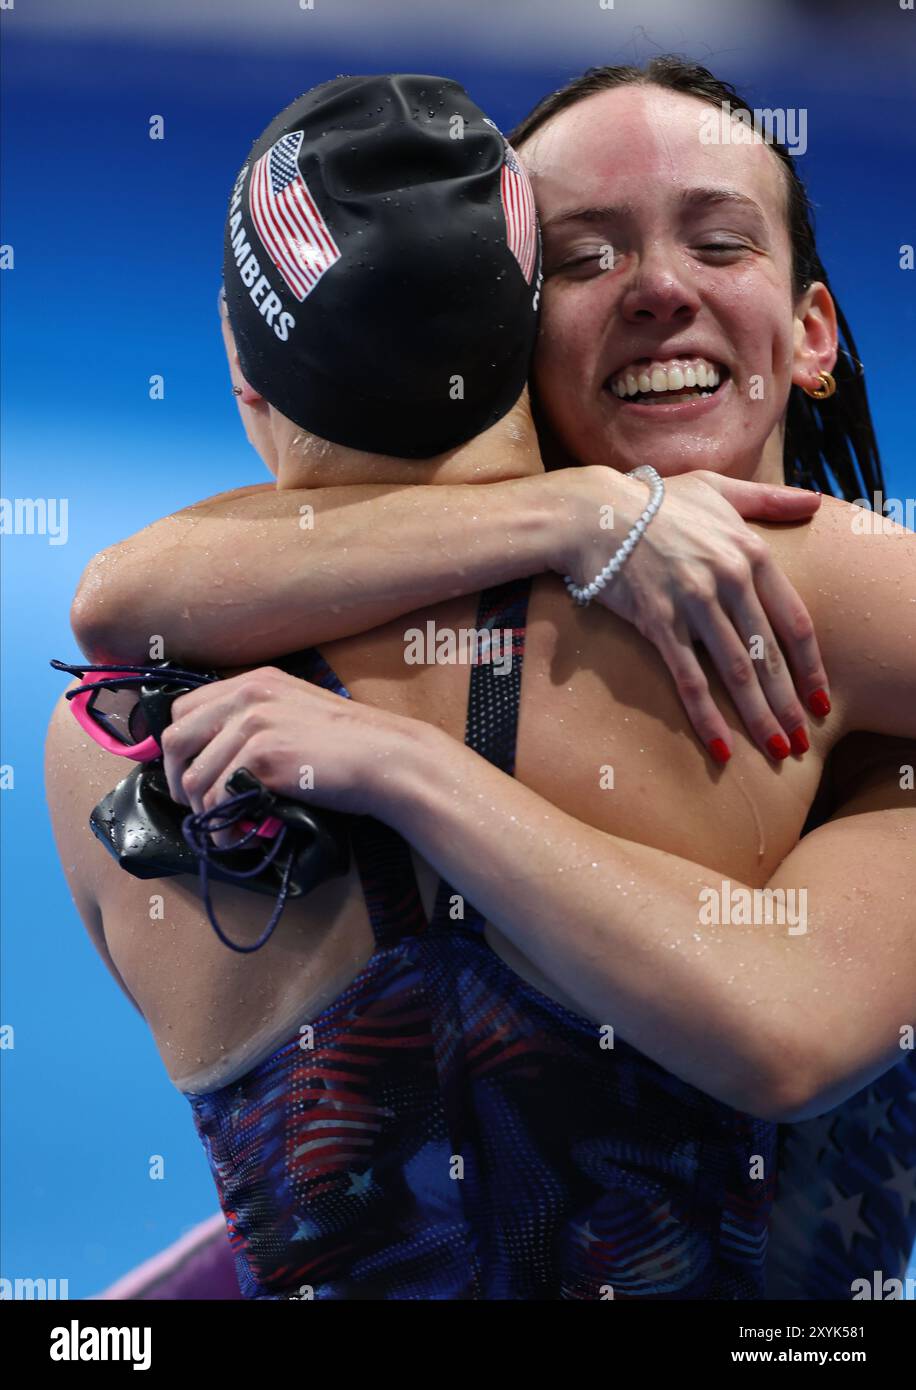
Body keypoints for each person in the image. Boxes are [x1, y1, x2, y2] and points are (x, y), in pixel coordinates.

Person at [47, 66, 915, 1299]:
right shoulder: (821, 593)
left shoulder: (107, 727)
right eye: (583, 257)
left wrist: (411, 765)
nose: (660, 288)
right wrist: (575, 514)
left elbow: (118, 597)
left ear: (813, 331)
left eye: (716, 240)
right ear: (511, 335)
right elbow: (124, 586)